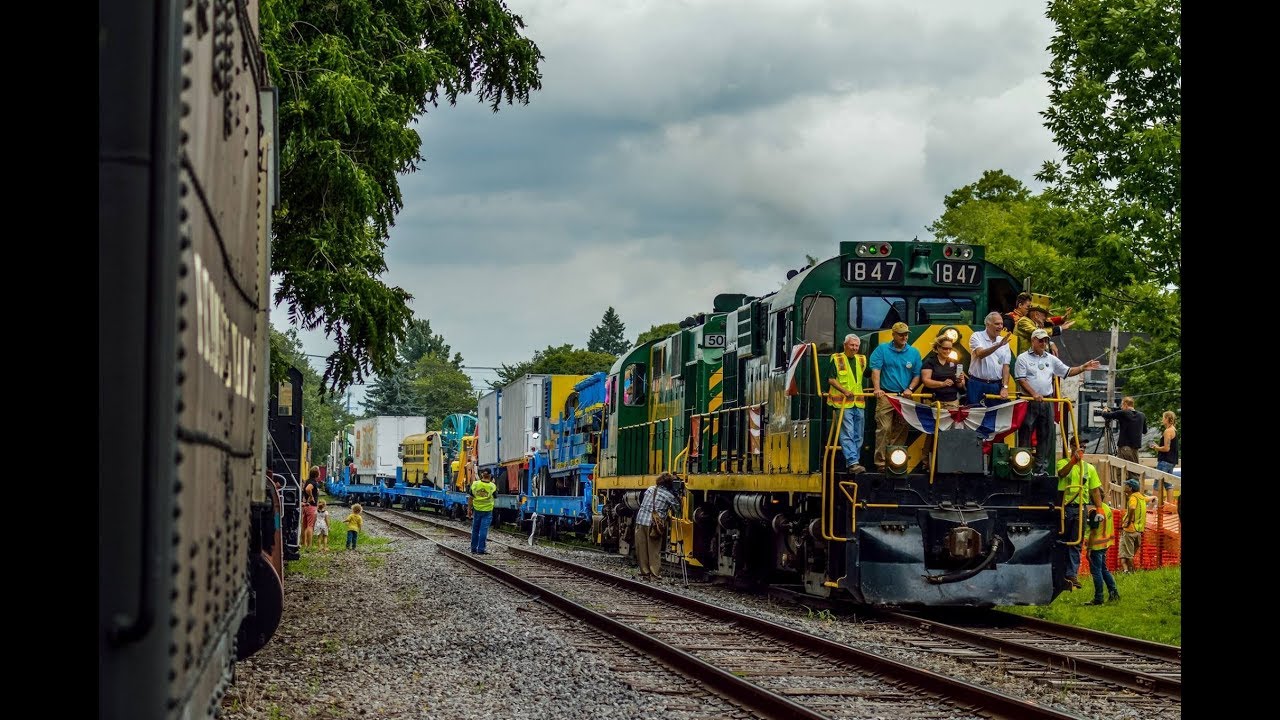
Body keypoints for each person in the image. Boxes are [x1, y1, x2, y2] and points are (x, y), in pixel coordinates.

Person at [1014, 328, 1101, 473]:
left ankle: (1040, 469)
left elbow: (1067, 371)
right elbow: (1021, 380)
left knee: (1046, 434)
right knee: (1026, 432)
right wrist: (1034, 393)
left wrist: (1082, 367)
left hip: (1047, 400)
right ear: (1033, 340)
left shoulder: (1051, 358)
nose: (1043, 343)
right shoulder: (1023, 358)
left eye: (1045, 340)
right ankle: (1023, 467)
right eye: (1040, 340)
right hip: (1029, 401)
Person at [869, 322, 923, 471]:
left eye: (906, 334)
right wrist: (877, 389)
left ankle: (895, 461)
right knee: (884, 428)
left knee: (902, 427)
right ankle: (880, 463)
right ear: (893, 335)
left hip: (904, 396)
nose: (904, 337)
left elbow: (917, 374)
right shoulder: (882, 350)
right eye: (901, 334)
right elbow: (876, 370)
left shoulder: (914, 353)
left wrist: (910, 389)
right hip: (886, 394)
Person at [1055, 442, 1105, 593]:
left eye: (1083, 446)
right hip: (1064, 507)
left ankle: (1071, 575)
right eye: (1078, 445)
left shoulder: (1089, 468)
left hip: (1080, 508)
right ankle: (1058, 572)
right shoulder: (1063, 462)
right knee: (1061, 540)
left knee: (1077, 541)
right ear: (1071, 446)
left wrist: (1099, 508)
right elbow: (1062, 473)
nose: (1081, 448)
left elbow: (1095, 490)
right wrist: (1072, 461)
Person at [827, 333, 868, 474]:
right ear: (845, 345)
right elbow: (831, 379)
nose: (855, 348)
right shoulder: (837, 359)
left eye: (857, 346)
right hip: (843, 403)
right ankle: (852, 462)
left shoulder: (862, 360)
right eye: (852, 345)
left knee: (858, 435)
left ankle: (853, 462)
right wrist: (844, 391)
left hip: (859, 403)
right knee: (848, 433)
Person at [633, 472, 680, 580]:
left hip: (641, 521)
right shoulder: (669, 496)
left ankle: (645, 573)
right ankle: (654, 574)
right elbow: (677, 509)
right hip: (654, 525)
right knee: (654, 549)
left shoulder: (650, 489)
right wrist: (676, 495)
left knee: (642, 549)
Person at [967, 312, 1012, 407]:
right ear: (987, 324)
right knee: (975, 414)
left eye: (1001, 324)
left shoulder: (1004, 342)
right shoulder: (976, 336)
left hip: (995, 385)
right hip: (977, 384)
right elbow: (980, 354)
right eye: (997, 324)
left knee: (994, 416)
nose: (1000, 326)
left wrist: (1005, 387)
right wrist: (998, 345)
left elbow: (1006, 366)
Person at [1085, 500, 1120, 605]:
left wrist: (1089, 549)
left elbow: (1093, 531)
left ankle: (1099, 598)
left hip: (1096, 546)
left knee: (1097, 572)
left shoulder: (1095, 511)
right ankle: (1114, 593)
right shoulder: (1106, 508)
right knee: (1104, 570)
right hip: (1105, 544)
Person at [920, 334, 965, 410]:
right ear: (938, 348)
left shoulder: (955, 363)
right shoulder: (930, 362)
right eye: (945, 348)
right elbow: (926, 381)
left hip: (952, 401)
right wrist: (942, 384)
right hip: (933, 401)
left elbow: (960, 385)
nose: (948, 351)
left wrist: (959, 381)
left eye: (950, 349)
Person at [1101, 397, 1146, 466]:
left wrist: (1104, 410)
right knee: (1134, 470)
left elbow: (1107, 415)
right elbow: (1144, 431)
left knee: (1121, 470)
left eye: (1122, 405)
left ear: (1125, 404)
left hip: (1124, 446)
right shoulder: (1142, 415)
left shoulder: (1122, 413)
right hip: (1135, 448)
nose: (1121, 407)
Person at [1150, 410, 1178, 505]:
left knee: (1156, 484)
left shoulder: (1167, 431)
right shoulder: (1174, 430)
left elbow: (1166, 448)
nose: (1162, 420)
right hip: (1172, 461)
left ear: (1167, 419)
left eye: (1163, 418)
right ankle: (1170, 505)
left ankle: (1152, 506)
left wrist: (1156, 447)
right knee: (1168, 484)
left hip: (1165, 461)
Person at [1118, 478, 1146, 574]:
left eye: (1126, 485)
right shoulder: (1141, 497)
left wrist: (1129, 521)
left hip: (1130, 529)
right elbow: (1147, 499)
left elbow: (1132, 508)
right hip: (1138, 530)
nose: (1124, 487)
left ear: (1130, 488)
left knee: (1129, 555)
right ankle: (1127, 571)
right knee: (1128, 554)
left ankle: (1133, 573)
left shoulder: (1133, 498)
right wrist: (1153, 497)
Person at [470, 468, 497, 554]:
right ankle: (481, 549)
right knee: (483, 530)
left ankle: (473, 548)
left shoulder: (475, 484)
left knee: (475, 530)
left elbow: (470, 497)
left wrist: (469, 509)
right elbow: (495, 496)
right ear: (490, 476)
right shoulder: (492, 486)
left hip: (476, 509)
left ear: (482, 474)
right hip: (487, 511)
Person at [301, 468, 319, 549]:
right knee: (310, 526)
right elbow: (308, 489)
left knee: (304, 525)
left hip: (305, 506)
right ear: (317, 474)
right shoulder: (313, 482)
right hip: (311, 506)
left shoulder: (308, 481)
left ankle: (303, 543)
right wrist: (311, 496)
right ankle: (309, 545)